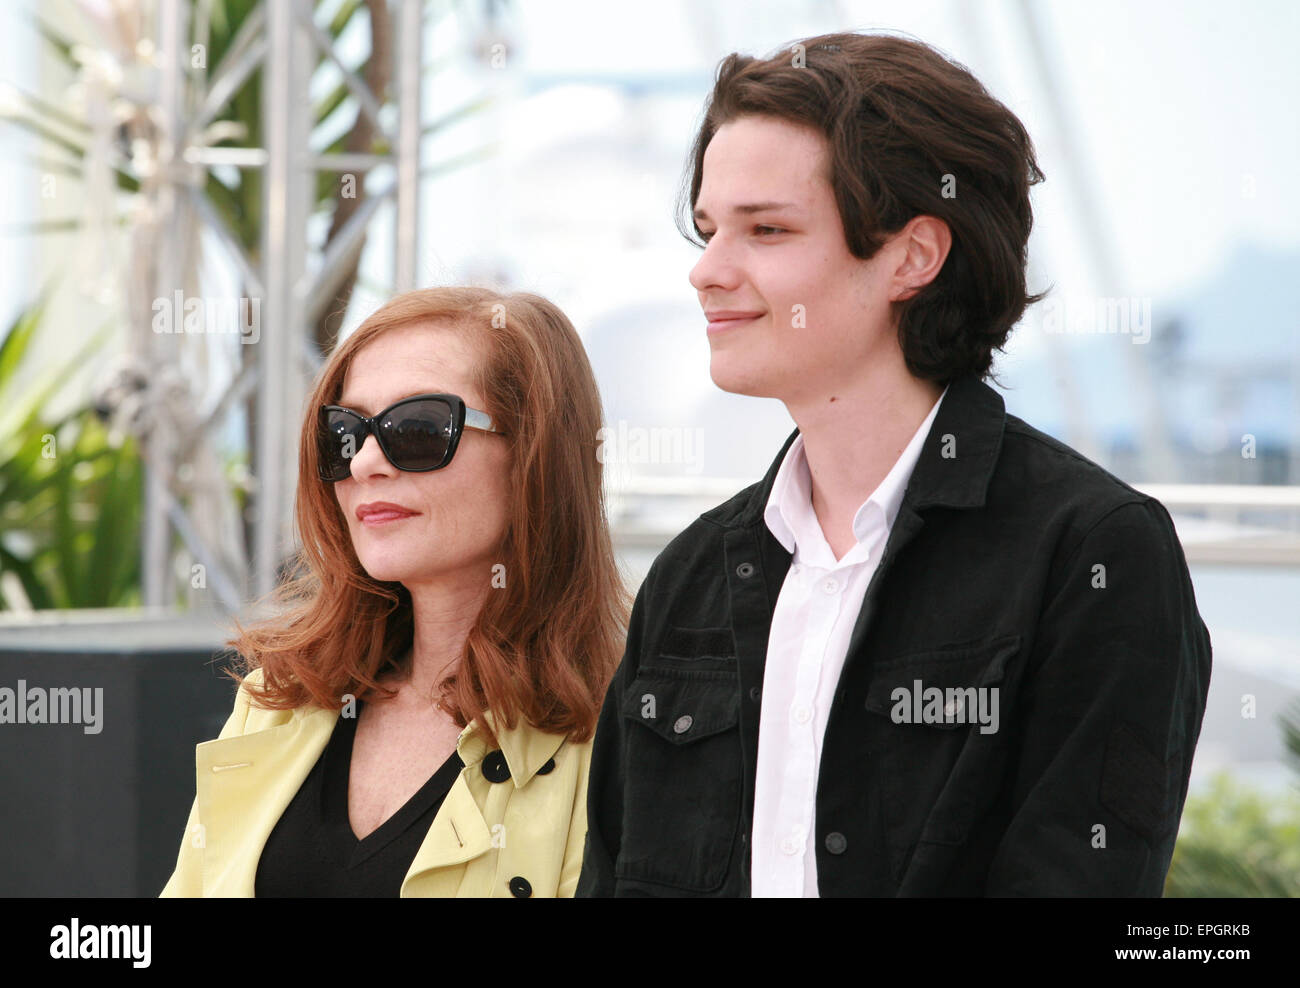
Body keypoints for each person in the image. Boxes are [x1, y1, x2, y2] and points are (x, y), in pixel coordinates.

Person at [577, 31, 1212, 897]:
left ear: (914, 256)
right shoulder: (691, 577)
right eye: (707, 230)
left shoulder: (1093, 555)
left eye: (766, 229)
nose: (708, 272)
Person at [162, 286, 628, 897]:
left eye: (418, 428)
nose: (365, 464)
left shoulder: (620, 738)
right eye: (345, 434)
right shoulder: (277, 697)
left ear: (535, 456)